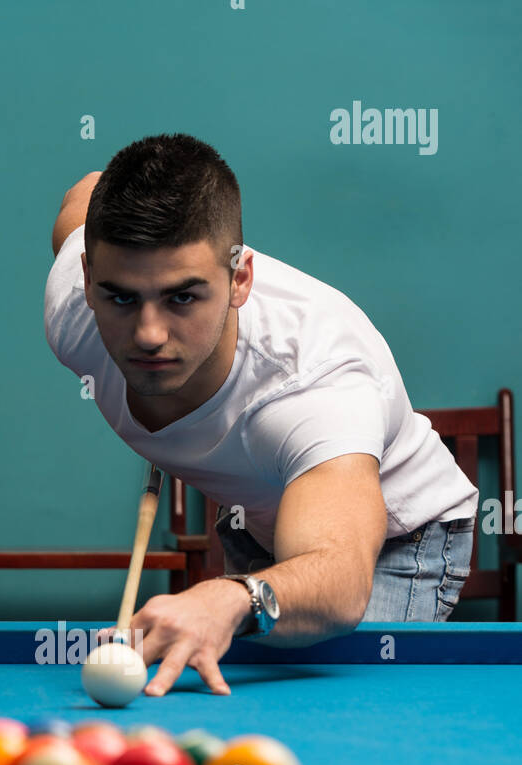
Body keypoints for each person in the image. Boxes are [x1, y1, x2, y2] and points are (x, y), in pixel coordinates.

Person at [44, 133, 478, 697]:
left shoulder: (311, 385)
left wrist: (232, 597)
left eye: (183, 297)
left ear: (240, 279)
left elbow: (341, 579)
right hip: (259, 508)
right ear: (86, 276)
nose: (148, 335)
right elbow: (86, 194)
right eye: (122, 297)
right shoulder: (74, 314)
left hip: (392, 535)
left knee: (344, 708)